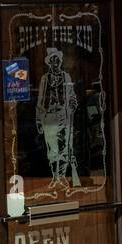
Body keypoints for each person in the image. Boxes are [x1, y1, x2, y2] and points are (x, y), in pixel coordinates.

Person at [36, 47, 78, 190]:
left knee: (64, 149)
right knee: (52, 150)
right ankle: (55, 177)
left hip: (63, 115)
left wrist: (72, 105)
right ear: (49, 63)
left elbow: (72, 96)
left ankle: (62, 177)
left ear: (60, 61)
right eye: (52, 60)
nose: (55, 63)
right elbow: (40, 101)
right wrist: (38, 120)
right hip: (49, 116)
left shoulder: (66, 77)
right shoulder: (44, 79)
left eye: (57, 60)